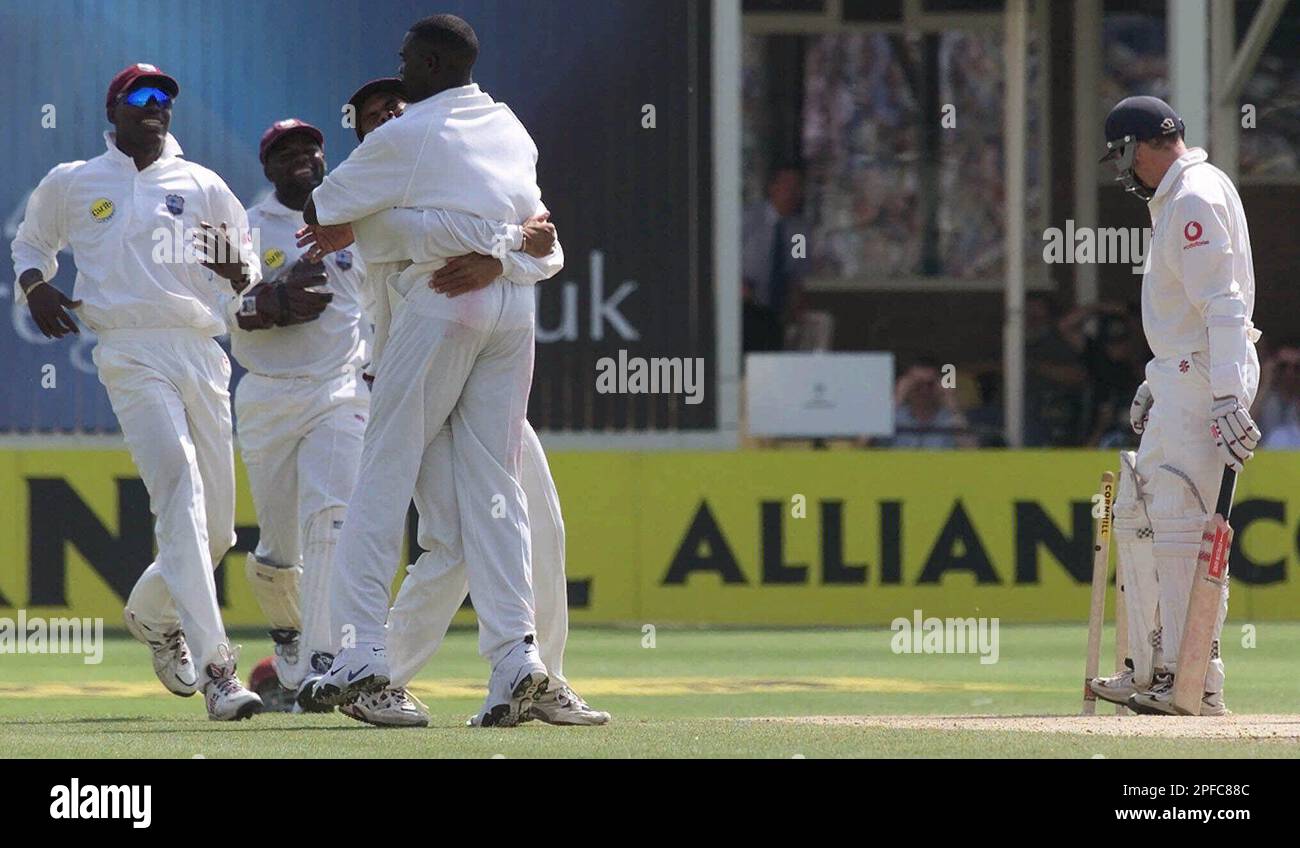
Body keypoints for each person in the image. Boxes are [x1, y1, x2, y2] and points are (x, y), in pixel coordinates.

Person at [300, 80, 609, 728]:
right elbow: (410, 233)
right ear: (366, 140)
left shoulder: (456, 171)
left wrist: (503, 253)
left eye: (397, 106)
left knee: (529, 523)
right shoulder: (371, 198)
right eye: (375, 116)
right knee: (450, 538)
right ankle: (372, 672)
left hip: (471, 373)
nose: (391, 117)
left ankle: (531, 675)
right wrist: (507, 241)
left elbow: (549, 249)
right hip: (411, 376)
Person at [10, 63, 263, 720]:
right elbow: (32, 242)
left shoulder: (202, 183)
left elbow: (249, 271)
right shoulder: (75, 182)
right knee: (177, 485)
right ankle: (219, 673)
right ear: (115, 108)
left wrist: (240, 274)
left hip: (201, 352)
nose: (157, 106)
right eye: (142, 96)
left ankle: (151, 616)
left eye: (166, 98)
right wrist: (36, 285)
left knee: (215, 536)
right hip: (127, 350)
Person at [1087, 96, 1261, 716]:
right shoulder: (1184, 195)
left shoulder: (1192, 197)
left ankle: (1196, 682)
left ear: (1141, 145)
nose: (1126, 172)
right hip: (1182, 377)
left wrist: (1226, 395)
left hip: (1206, 378)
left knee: (1186, 528)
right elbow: (1189, 315)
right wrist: (1158, 382)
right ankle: (1151, 667)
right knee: (1139, 512)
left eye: (1125, 157)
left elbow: (1225, 303)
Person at [230, 119, 365, 711]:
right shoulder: (250, 228)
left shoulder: (355, 221)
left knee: (331, 517)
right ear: (269, 168)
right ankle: (287, 631)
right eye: (286, 153)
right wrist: (271, 301)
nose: (302, 158)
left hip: (340, 389)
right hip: (268, 393)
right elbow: (222, 310)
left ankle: (321, 663)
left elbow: (384, 298)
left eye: (310, 147)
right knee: (280, 547)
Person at [741, 161, 806, 353]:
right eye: (786, 185)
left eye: (796, 187)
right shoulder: (749, 218)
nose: (791, 192)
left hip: (776, 310)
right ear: (773, 188)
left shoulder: (798, 230)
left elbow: (797, 269)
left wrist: (796, 303)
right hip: (747, 304)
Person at [888, 360, 970, 449]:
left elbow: (972, 451)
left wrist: (951, 402)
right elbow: (870, 441)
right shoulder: (893, 416)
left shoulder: (951, 419)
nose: (924, 390)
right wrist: (897, 397)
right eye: (917, 385)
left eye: (930, 385)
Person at [1254, 339, 1300, 448]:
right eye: (1283, 366)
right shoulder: (1263, 398)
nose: (1290, 372)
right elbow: (1244, 425)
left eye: (1297, 368)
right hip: (1261, 459)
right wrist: (1265, 383)